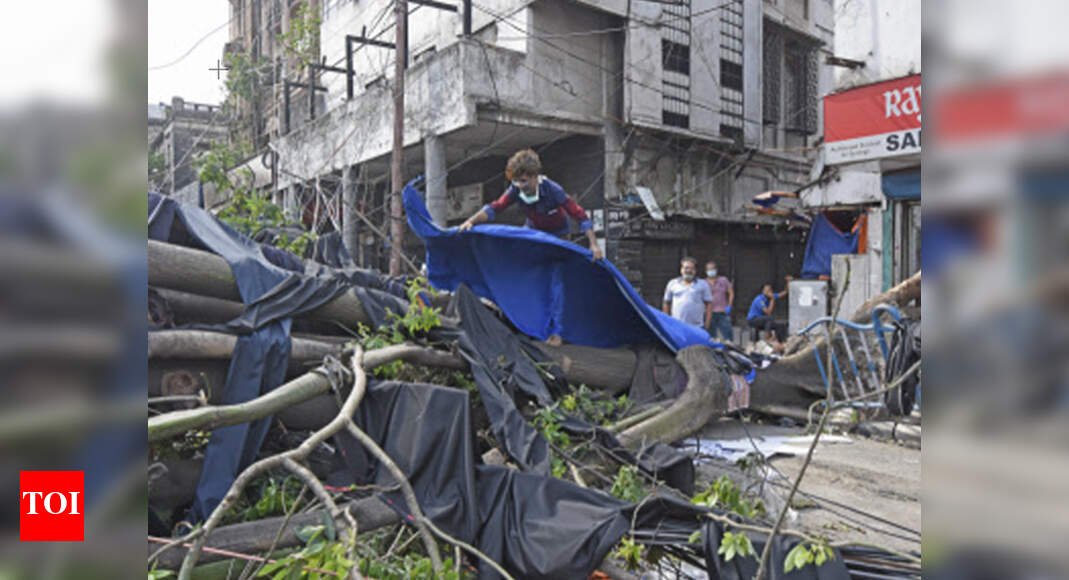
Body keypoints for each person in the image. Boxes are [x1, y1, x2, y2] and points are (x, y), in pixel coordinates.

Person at [457, 149, 604, 260]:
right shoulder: (515, 189)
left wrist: (594, 245)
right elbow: (495, 208)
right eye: (516, 181)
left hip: (558, 234)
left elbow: (580, 215)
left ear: (535, 176)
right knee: (519, 256)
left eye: (523, 181)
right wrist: (471, 221)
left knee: (557, 264)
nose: (520, 186)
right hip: (533, 230)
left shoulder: (553, 190)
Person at [662, 257, 713, 328]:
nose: (689, 270)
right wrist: (667, 323)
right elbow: (666, 303)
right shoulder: (672, 283)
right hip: (677, 326)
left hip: (697, 327)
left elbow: (709, 305)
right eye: (686, 268)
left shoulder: (703, 284)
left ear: (695, 270)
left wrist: (707, 325)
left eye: (692, 268)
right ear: (681, 269)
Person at [746, 281, 791, 348]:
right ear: (762, 291)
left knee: (781, 325)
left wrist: (788, 282)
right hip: (753, 320)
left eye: (769, 290)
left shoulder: (771, 296)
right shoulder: (759, 299)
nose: (767, 292)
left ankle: (781, 343)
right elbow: (768, 312)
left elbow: (785, 293)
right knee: (769, 318)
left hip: (763, 321)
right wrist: (772, 299)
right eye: (766, 290)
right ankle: (767, 339)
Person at [704, 260, 734, 342]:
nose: (711, 271)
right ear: (706, 271)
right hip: (709, 313)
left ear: (716, 270)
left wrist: (729, 306)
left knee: (728, 336)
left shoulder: (723, 280)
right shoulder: (703, 283)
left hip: (723, 312)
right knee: (711, 337)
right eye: (709, 269)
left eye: (713, 269)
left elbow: (731, 293)